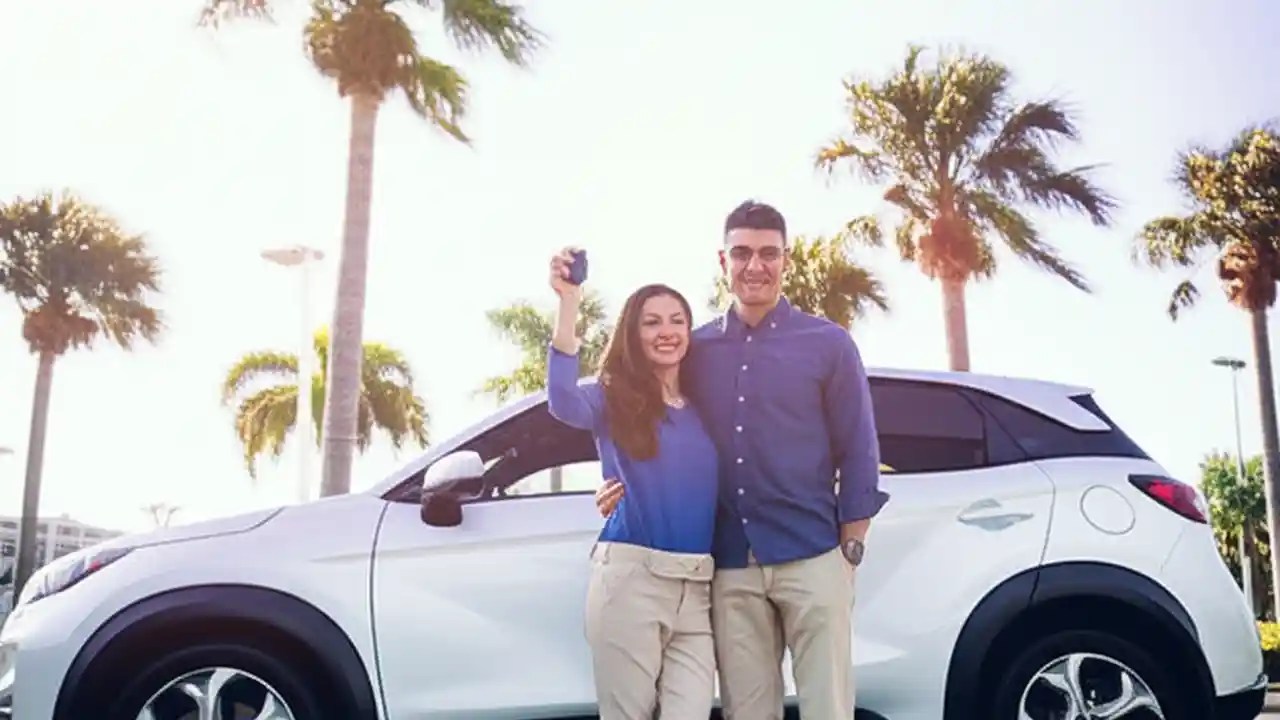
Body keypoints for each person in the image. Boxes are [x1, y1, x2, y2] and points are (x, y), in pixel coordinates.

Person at [594, 200, 889, 719]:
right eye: (742, 253)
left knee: (829, 708)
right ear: (722, 261)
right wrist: (616, 478)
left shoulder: (829, 344)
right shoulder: (694, 348)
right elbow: (646, 411)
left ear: (786, 260)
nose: (756, 265)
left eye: (769, 253)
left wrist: (850, 551)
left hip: (813, 554)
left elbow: (859, 449)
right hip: (730, 566)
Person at [544, 246, 721, 720]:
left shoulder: (706, 406)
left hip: (697, 588)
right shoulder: (612, 397)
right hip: (631, 582)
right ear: (632, 333)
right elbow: (561, 398)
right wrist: (569, 300)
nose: (667, 331)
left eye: (677, 321)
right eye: (652, 322)